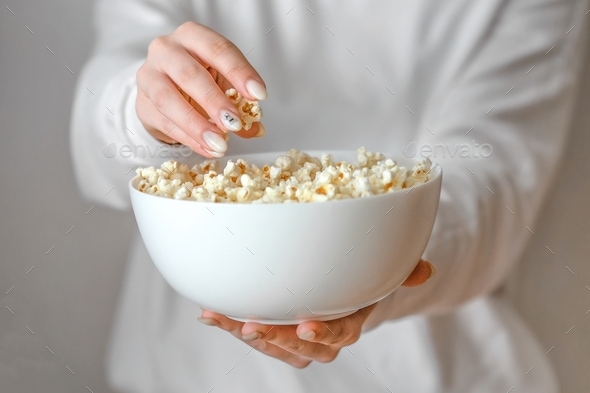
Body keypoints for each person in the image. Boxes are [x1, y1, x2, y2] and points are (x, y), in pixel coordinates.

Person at [70, 0, 588, 391]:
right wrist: (147, 114)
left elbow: (492, 177)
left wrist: (381, 265)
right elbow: (102, 130)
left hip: (431, 363)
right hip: (192, 364)